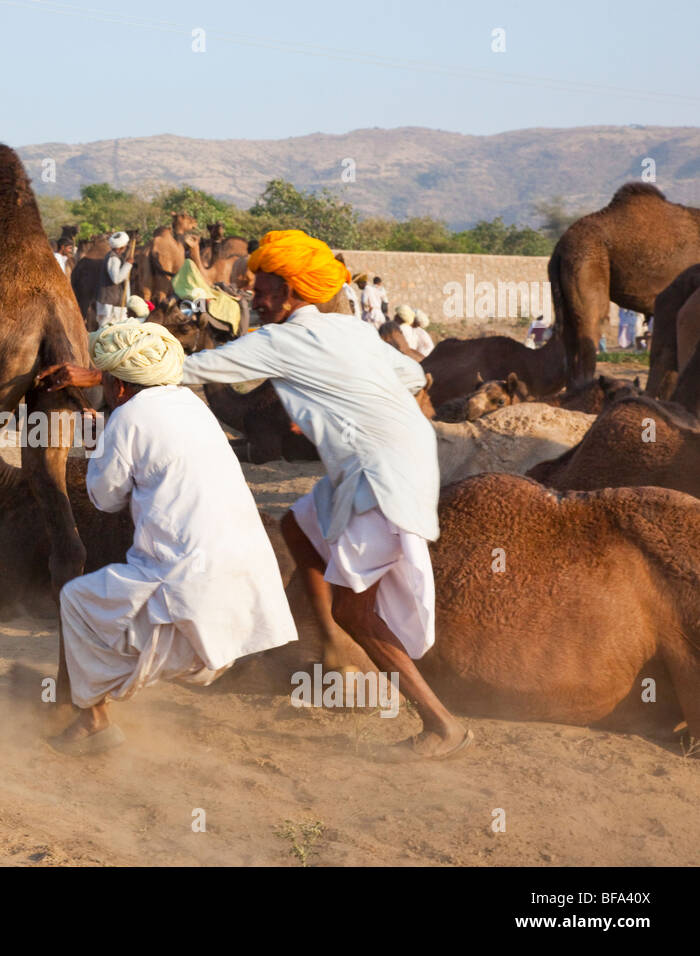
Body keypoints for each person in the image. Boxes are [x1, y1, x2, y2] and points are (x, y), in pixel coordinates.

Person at [39, 230, 472, 759]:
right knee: (296, 527)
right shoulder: (351, 330)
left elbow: (189, 369)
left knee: (359, 613)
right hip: (387, 463)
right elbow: (413, 373)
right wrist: (343, 401)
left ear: (292, 292)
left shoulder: (283, 341)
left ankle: (440, 722)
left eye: (263, 291)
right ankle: (324, 642)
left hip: (375, 476)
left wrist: (98, 373)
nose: (254, 300)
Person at [42, 321, 297, 754]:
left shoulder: (124, 418)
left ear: (119, 387)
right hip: (247, 568)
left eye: (106, 379)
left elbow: (104, 499)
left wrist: (96, 440)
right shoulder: (193, 405)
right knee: (117, 611)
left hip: (186, 573)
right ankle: (96, 706)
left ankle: (94, 720)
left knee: (77, 601)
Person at [96, 232, 134, 325]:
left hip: (113, 302)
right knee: (107, 330)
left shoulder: (114, 256)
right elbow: (116, 279)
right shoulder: (114, 258)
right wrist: (128, 264)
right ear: (121, 248)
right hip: (111, 304)